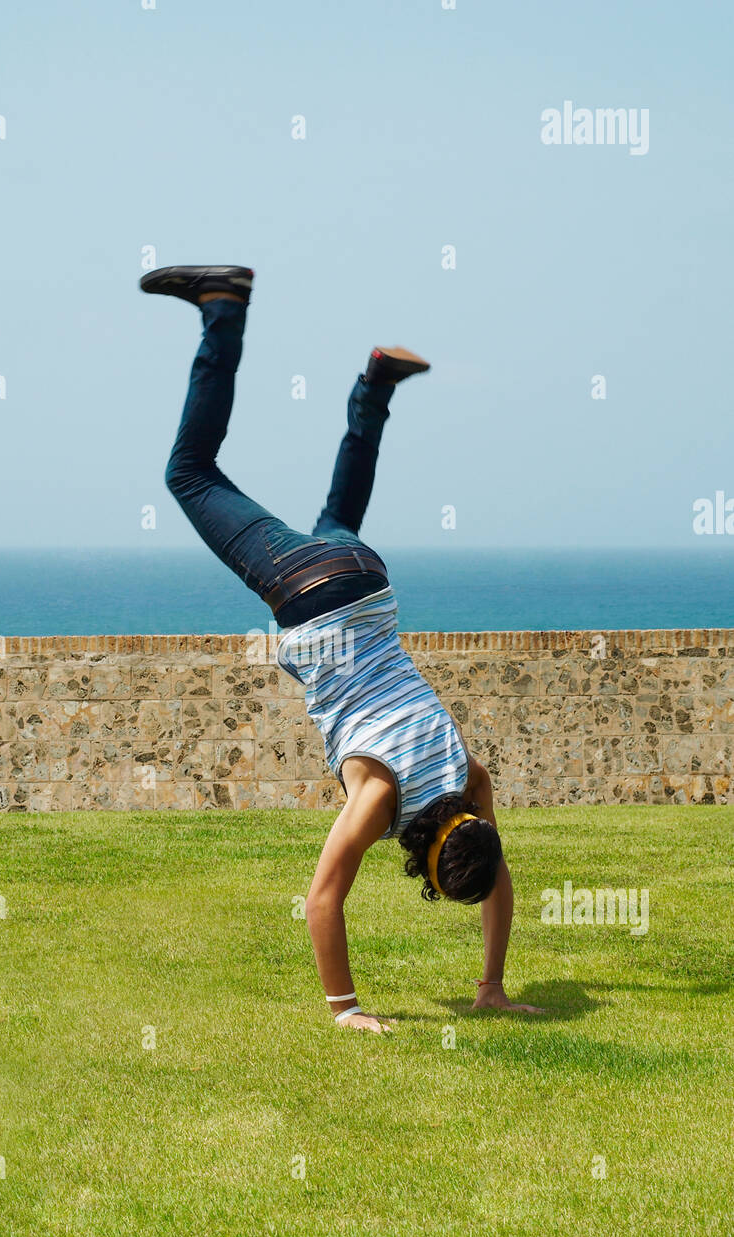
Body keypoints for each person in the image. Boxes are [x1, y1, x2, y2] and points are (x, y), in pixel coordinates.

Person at [143, 264, 542, 1031]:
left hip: (370, 583)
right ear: (422, 866)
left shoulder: (466, 776)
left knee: (335, 517)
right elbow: (322, 899)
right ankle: (222, 309)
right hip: (319, 603)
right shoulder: (379, 800)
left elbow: (498, 874)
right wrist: (345, 1011)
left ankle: (376, 387)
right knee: (189, 474)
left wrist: (491, 986)